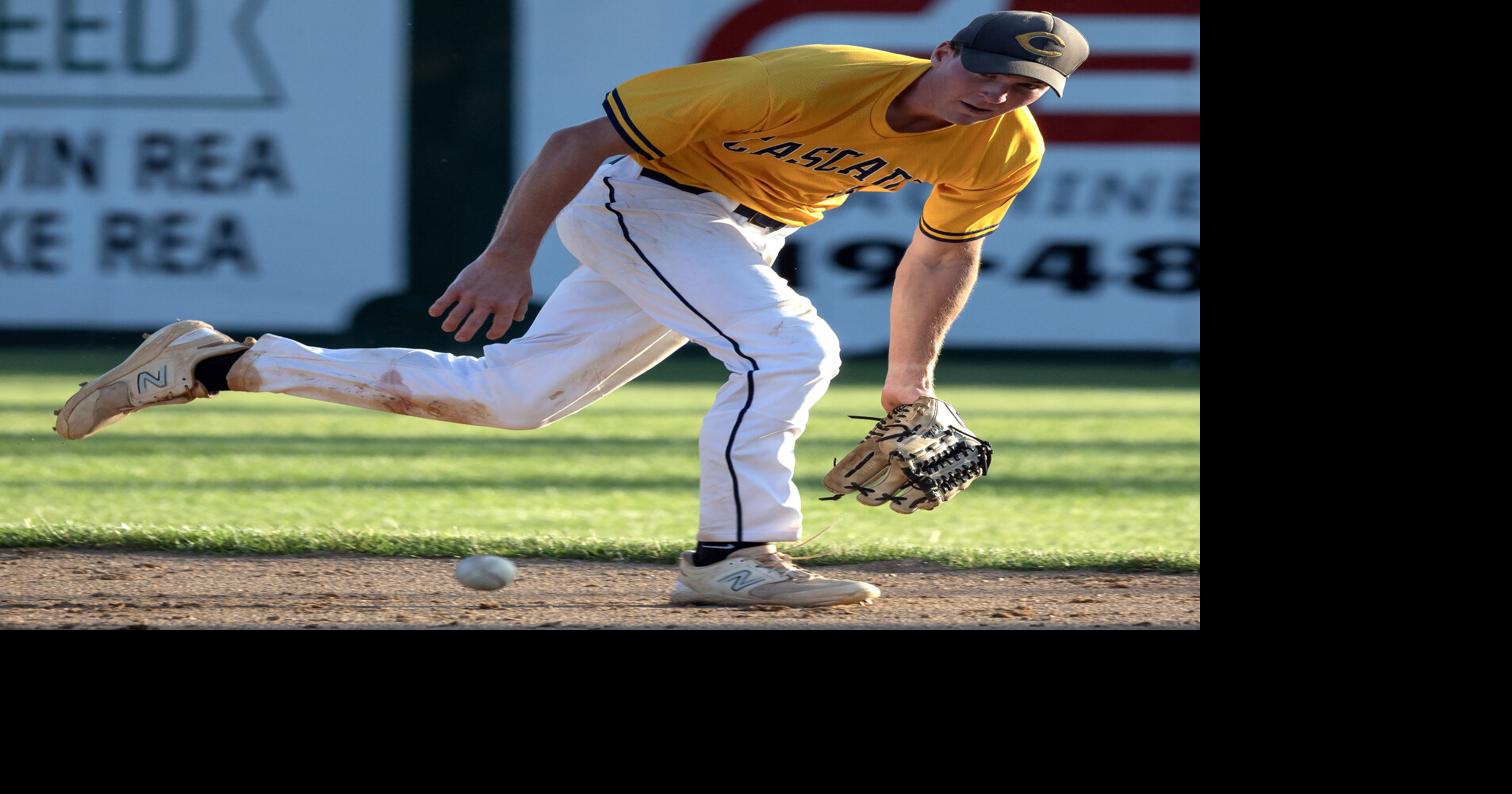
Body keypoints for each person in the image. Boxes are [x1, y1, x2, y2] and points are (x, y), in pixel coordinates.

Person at [54, 11, 1090, 608]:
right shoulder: (804, 80)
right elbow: (572, 143)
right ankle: (734, 558)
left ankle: (218, 361)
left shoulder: (1002, 146)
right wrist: (508, 257)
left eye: (1026, 87)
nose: (999, 96)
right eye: (990, 72)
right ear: (947, 52)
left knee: (514, 397)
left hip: (738, 230)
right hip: (645, 200)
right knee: (790, 347)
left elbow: (941, 251)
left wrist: (914, 381)